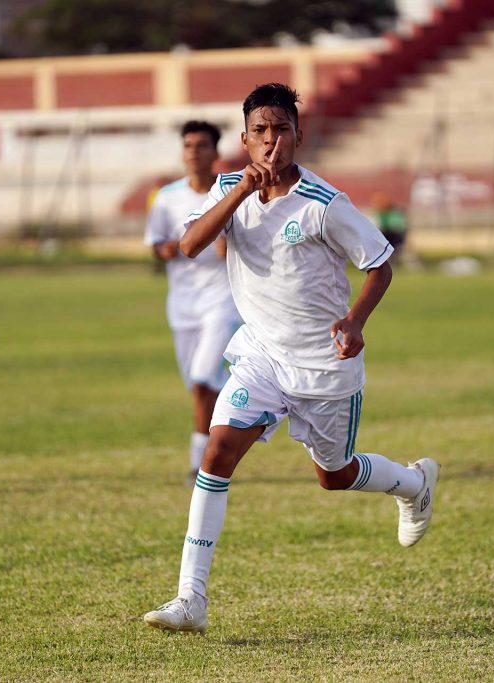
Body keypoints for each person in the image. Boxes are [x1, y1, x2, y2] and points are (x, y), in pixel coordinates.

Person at [143, 84, 439, 634]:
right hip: (261, 355)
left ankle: (413, 483)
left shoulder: (326, 204)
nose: (271, 142)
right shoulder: (230, 188)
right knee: (217, 452)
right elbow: (188, 246)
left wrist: (354, 322)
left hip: (324, 366)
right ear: (245, 140)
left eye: (281, 130)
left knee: (334, 476)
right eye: (260, 132)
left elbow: (380, 265)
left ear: (298, 136)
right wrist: (238, 195)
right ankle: (191, 600)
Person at [144, 121, 243, 485]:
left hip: (223, 302)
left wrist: (228, 245)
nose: (193, 152)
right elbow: (154, 243)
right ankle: (223, 446)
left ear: (215, 153)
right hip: (183, 305)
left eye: (202, 145)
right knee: (199, 386)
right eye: (188, 145)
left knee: (203, 380)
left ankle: (201, 465)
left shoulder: (230, 192)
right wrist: (167, 249)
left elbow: (248, 240)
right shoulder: (167, 197)